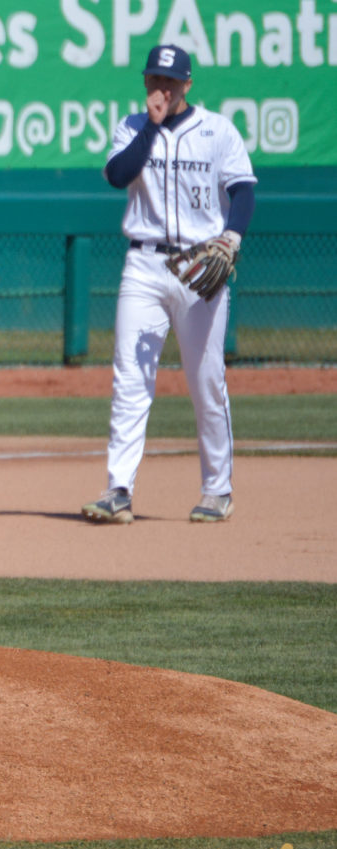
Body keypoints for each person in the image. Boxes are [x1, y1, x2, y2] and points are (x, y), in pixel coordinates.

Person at [82, 43, 256, 525]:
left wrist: (232, 237)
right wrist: (153, 126)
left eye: (171, 81)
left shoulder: (218, 130)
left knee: (206, 382)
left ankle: (218, 489)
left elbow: (243, 190)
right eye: (155, 80)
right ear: (145, 83)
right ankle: (118, 489)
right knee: (130, 379)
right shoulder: (132, 129)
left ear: (188, 84)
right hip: (144, 267)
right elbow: (118, 175)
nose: (163, 88)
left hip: (200, 267)